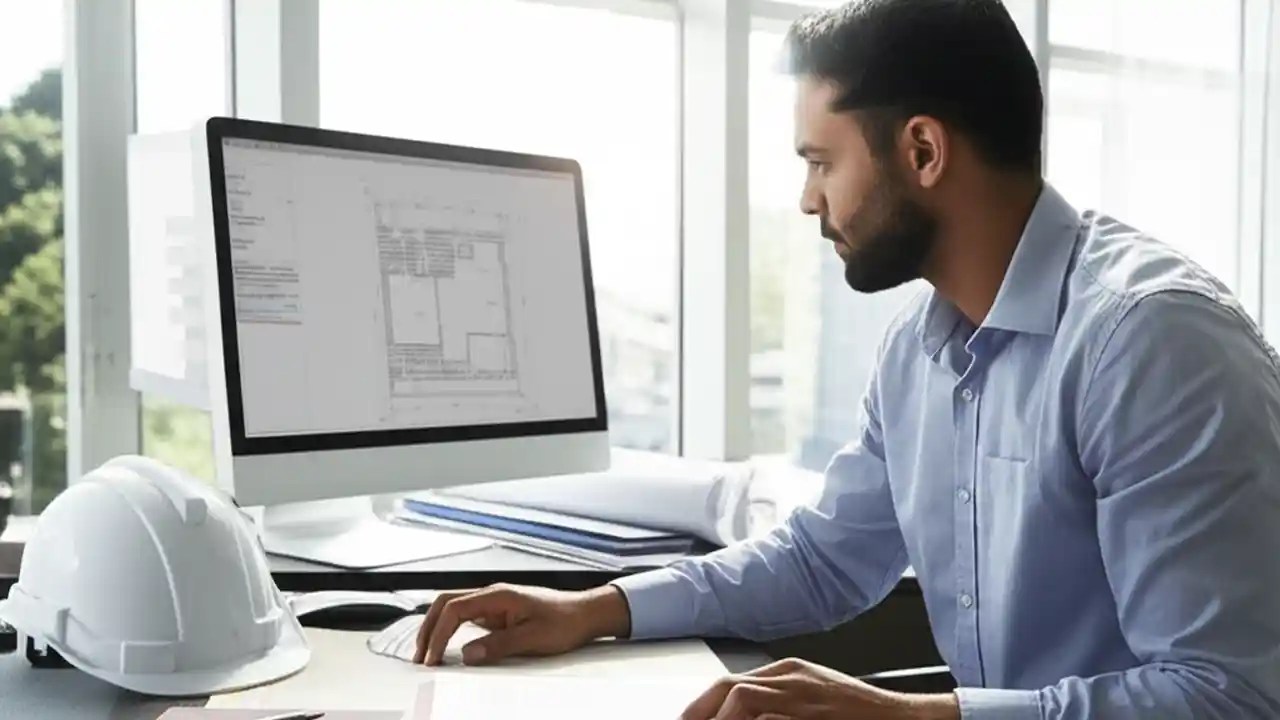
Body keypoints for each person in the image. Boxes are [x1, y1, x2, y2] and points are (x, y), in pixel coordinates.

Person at [413, 0, 1280, 717]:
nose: (805, 199)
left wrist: (908, 717)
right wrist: (598, 609)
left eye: (820, 162)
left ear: (924, 151)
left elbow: (1229, 696)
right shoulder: (918, 348)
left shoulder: (1155, 343)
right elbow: (824, 559)